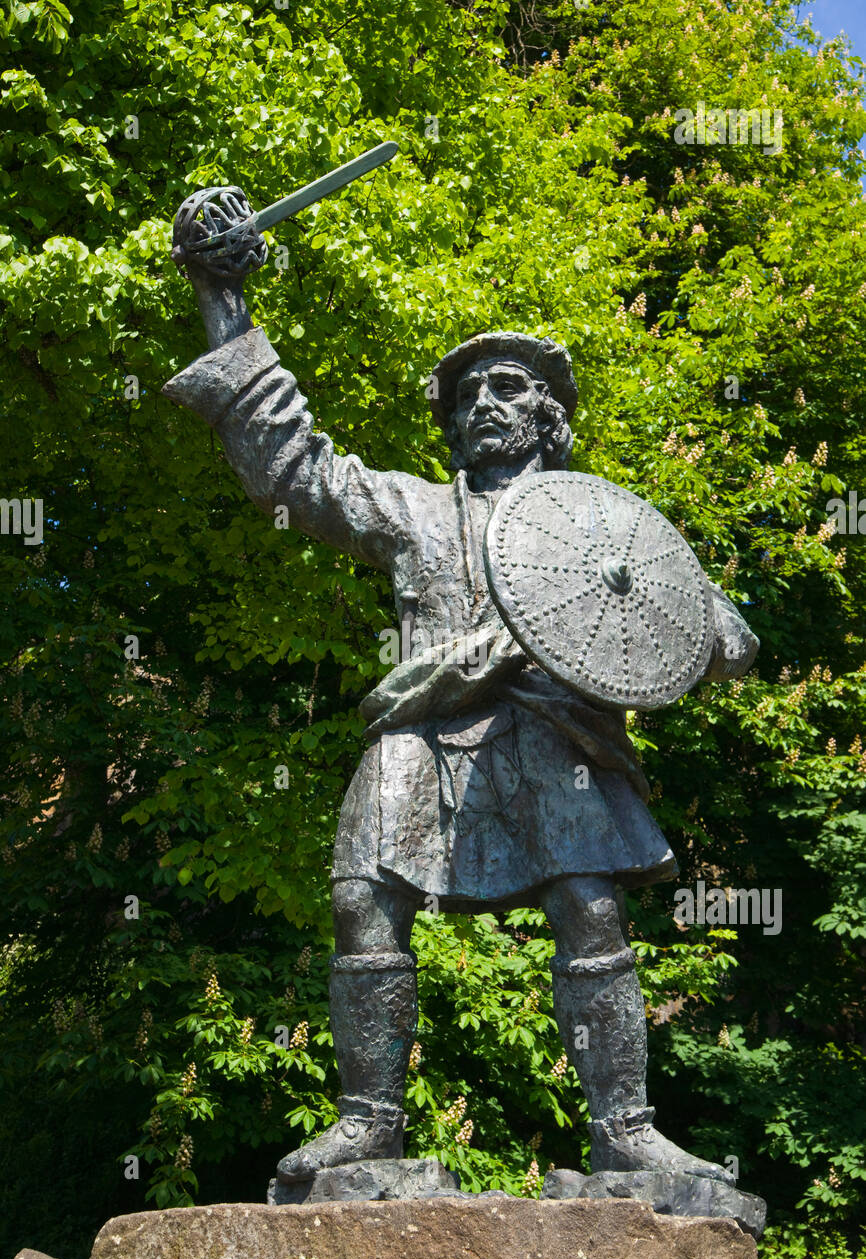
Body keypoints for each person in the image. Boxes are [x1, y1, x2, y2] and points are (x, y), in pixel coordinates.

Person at [164, 207, 757, 1193]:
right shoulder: (412, 507)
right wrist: (220, 296)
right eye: (468, 390)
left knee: (590, 907)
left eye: (509, 385)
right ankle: (367, 1125)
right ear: (448, 420)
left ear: (544, 413)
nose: (485, 400)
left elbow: (721, 644)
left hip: (553, 735)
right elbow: (293, 468)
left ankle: (626, 1132)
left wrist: (686, 618)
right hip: (422, 729)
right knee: (362, 898)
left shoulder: (600, 524)